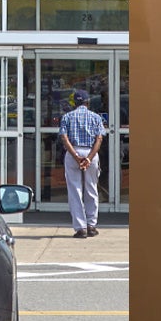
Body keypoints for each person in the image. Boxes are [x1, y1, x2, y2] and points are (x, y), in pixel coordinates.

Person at [59, 89, 106, 238]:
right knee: (91, 189)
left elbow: (64, 138)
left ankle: (80, 228)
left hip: (74, 152)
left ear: (75, 103)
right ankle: (92, 225)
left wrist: (76, 156)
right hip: (90, 152)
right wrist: (89, 158)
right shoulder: (95, 117)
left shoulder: (67, 117)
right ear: (88, 102)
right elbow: (99, 138)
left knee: (75, 190)